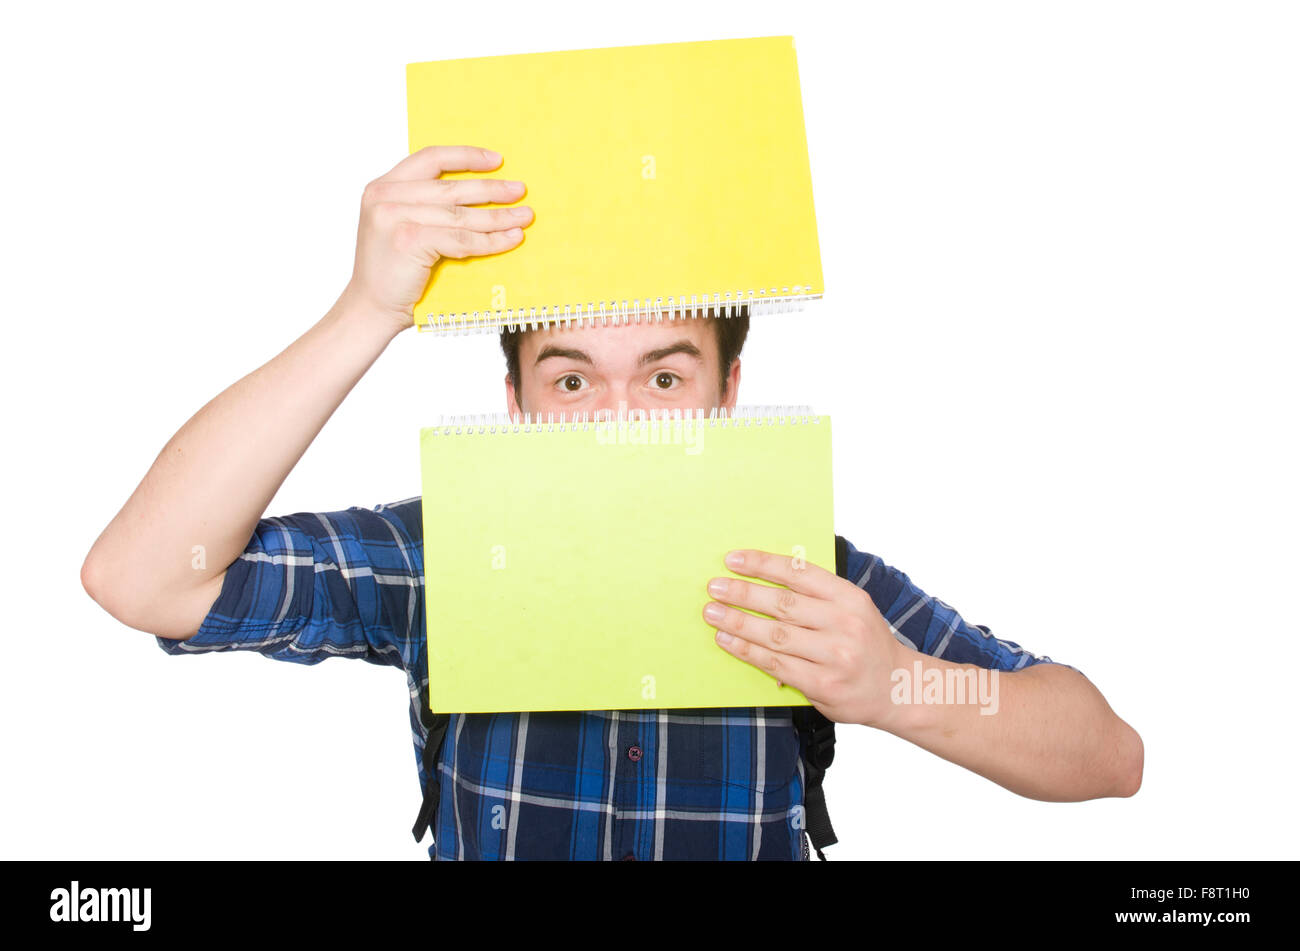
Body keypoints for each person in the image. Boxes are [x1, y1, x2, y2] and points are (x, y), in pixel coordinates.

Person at [80, 145, 1144, 861]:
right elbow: (141, 578)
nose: (620, 417)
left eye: (668, 377)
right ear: (517, 402)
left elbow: (1106, 753)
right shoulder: (442, 553)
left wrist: (898, 683)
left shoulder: (811, 578)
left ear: (730, 394)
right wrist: (368, 308)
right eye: (574, 379)